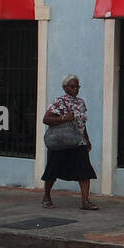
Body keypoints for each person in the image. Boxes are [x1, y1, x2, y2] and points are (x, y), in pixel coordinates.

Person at [41, 74, 98, 210]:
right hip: (60, 142)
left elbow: (82, 124)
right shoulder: (58, 102)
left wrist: (87, 139)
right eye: (73, 86)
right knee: (52, 171)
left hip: (78, 141)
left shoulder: (80, 103)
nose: (76, 89)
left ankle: (85, 201)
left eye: (77, 86)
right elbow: (46, 119)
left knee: (84, 170)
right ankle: (46, 197)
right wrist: (64, 118)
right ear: (65, 87)